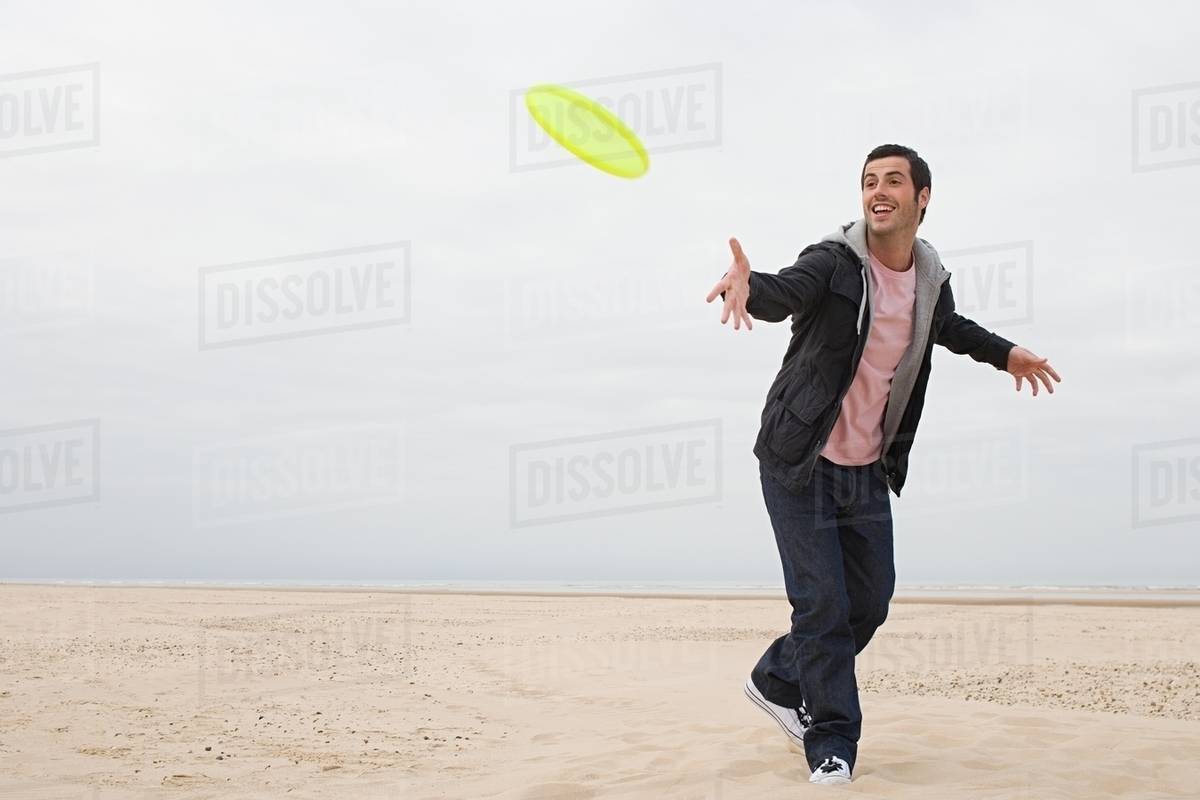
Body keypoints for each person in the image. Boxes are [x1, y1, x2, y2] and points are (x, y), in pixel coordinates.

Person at [704, 144, 1061, 785]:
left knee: (867, 603)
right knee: (822, 607)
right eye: (870, 181)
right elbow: (787, 291)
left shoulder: (929, 279)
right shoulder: (835, 262)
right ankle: (832, 744)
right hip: (800, 459)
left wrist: (1007, 354)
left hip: (866, 467)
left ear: (922, 198)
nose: (879, 190)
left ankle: (776, 678)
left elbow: (949, 328)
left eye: (894, 180)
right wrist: (749, 287)